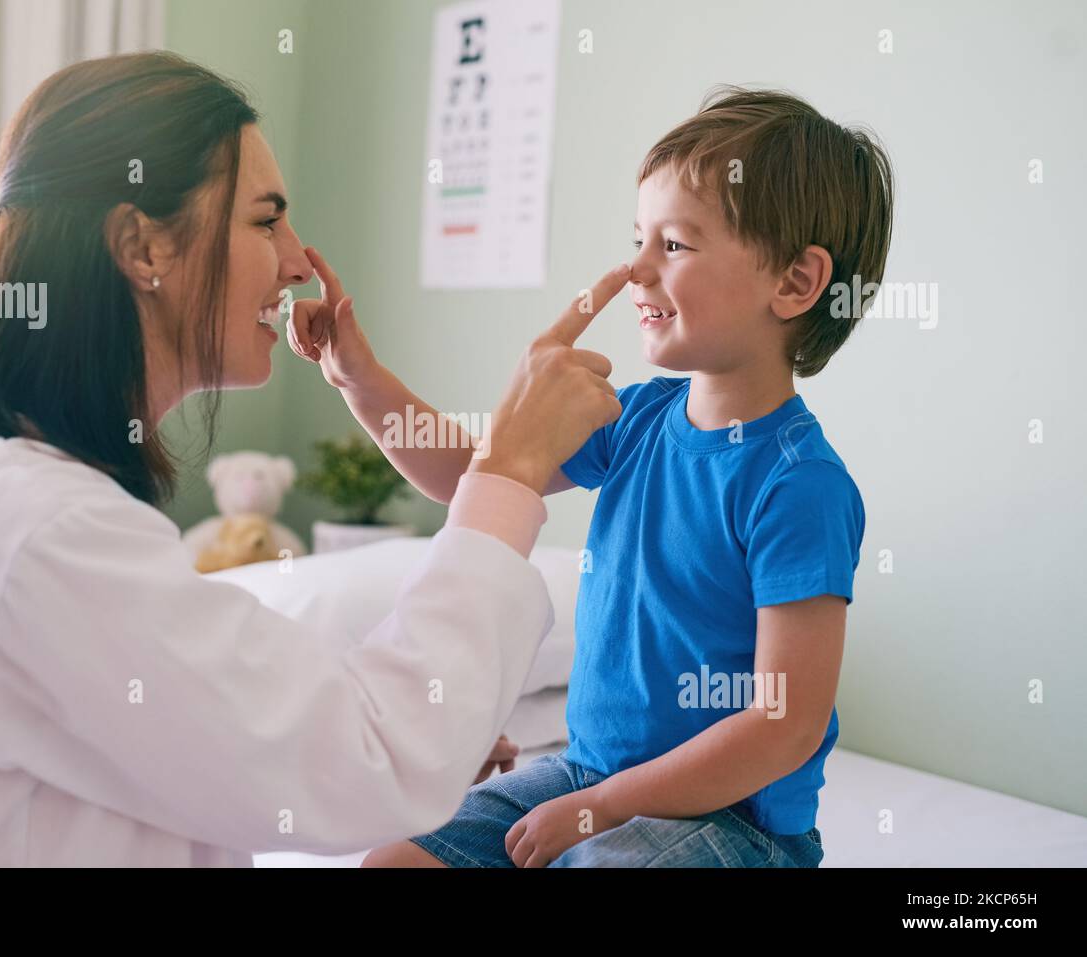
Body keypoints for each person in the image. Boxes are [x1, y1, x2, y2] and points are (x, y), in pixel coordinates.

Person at [0, 52, 627, 867]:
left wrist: (431, 721)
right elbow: (371, 756)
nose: (300, 262)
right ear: (142, 246)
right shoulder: (37, 528)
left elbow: (232, 727)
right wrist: (508, 473)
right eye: (266, 219)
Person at [335, 87, 892, 867]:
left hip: (734, 823)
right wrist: (359, 380)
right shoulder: (631, 418)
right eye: (640, 238)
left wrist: (600, 811)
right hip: (587, 772)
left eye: (675, 244)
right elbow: (475, 472)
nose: (635, 268)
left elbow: (785, 723)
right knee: (391, 860)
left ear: (796, 283)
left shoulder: (799, 483)